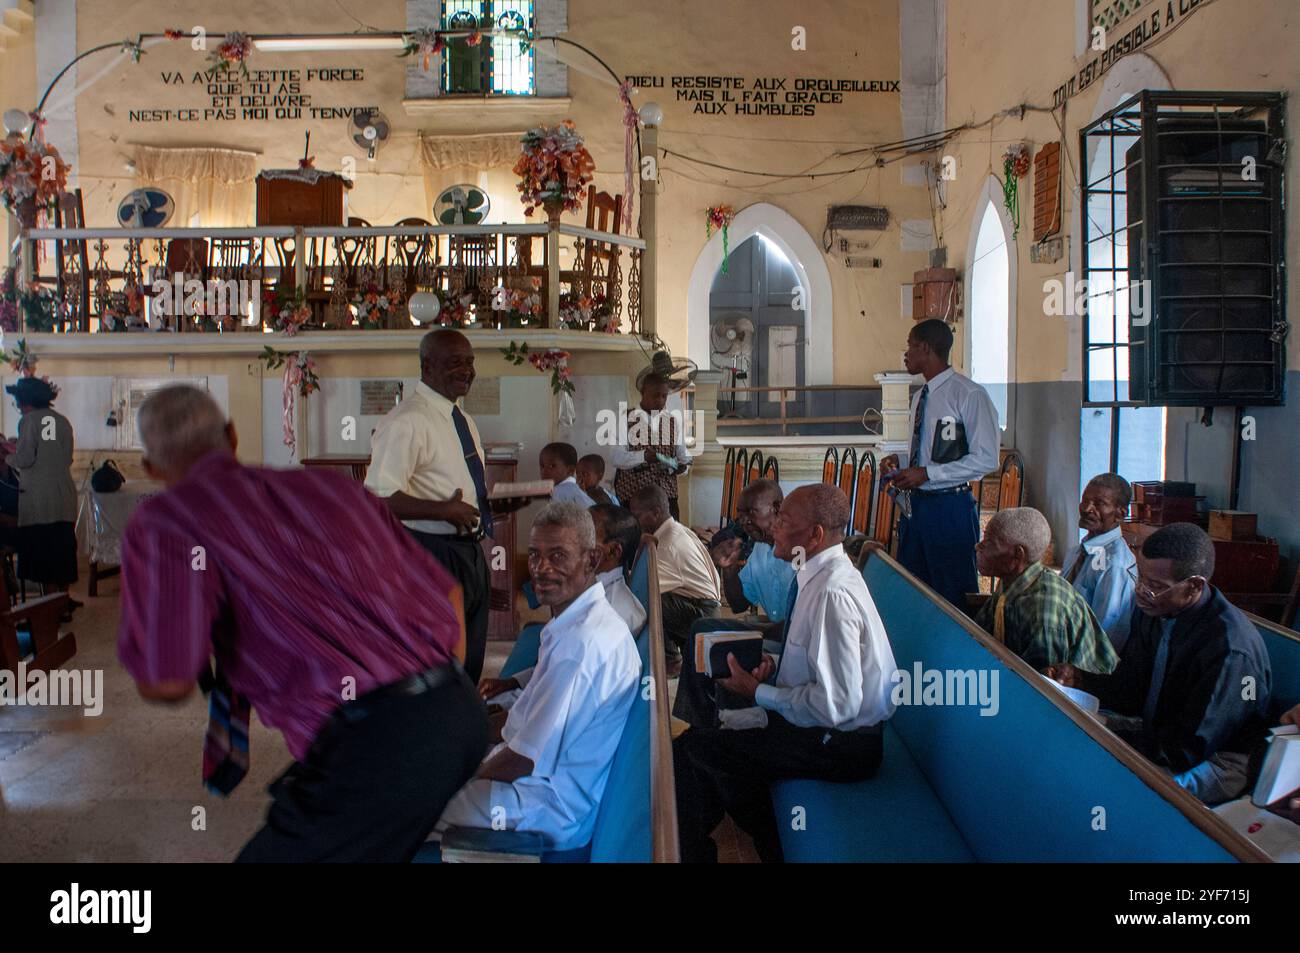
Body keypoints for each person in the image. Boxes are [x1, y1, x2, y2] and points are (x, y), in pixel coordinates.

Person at [117, 386, 486, 862]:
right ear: (231, 437)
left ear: (152, 469)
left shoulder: (168, 521)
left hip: (379, 743)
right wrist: (430, 699)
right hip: (456, 715)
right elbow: (449, 593)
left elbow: (166, 680)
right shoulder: (330, 488)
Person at [673, 484, 898, 863]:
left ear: (814, 535)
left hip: (843, 744)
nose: (774, 526)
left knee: (694, 754)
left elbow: (837, 705)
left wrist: (758, 692)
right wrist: (776, 666)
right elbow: (814, 658)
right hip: (826, 729)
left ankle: (730, 847)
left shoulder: (831, 594)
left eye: (784, 519)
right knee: (703, 738)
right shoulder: (819, 575)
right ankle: (765, 840)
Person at [435, 503, 641, 852]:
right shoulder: (577, 622)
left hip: (545, 807)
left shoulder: (580, 643)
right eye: (534, 555)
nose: (541, 569)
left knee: (409, 804)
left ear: (592, 560)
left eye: (558, 555)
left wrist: (461, 774)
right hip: (540, 788)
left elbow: (523, 759)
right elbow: (521, 724)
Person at [1047, 523, 1272, 805]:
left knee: (1113, 791)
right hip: (1159, 733)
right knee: (1064, 743)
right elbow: (1133, 686)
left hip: (1216, 761)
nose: (1140, 590)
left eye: (1154, 586)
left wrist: (1107, 727)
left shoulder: (1229, 650)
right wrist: (1081, 681)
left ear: (1194, 586)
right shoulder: (1155, 609)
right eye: (1140, 577)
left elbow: (1188, 749)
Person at [366, 329, 528, 682]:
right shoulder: (406, 420)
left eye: (470, 362)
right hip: (431, 555)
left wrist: (493, 507)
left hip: (468, 551)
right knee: (437, 662)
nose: (467, 370)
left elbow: (460, 488)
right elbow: (376, 499)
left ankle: (463, 730)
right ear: (427, 366)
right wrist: (442, 511)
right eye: (456, 362)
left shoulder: (462, 420)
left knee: (470, 657)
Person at [880, 319, 999, 608]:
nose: (906, 354)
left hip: (950, 508)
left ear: (925, 347)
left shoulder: (968, 394)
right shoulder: (921, 396)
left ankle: (954, 652)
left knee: (952, 591)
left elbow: (987, 458)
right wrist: (903, 461)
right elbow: (931, 452)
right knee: (913, 588)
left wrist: (928, 474)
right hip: (917, 508)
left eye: (910, 346)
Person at [480, 503, 646, 704]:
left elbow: (564, 691)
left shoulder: (614, 614)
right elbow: (553, 664)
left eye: (587, 533)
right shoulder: (580, 593)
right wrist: (514, 682)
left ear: (611, 552)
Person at [974, 507, 1118, 674]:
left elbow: (1042, 686)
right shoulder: (1013, 583)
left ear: (1018, 555)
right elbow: (980, 632)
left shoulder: (1044, 611)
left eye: (989, 542)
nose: (979, 546)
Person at [628, 484, 721, 674]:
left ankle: (672, 661)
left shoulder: (669, 544)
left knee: (648, 601)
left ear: (655, 512)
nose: (635, 522)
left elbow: (639, 590)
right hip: (698, 606)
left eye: (637, 516)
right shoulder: (674, 529)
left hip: (704, 615)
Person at [5, 377, 79, 609]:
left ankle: (50, 609)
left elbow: (26, 459)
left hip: (39, 498)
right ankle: (64, 600)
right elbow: (63, 457)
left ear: (25, 401)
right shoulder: (61, 421)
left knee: (45, 556)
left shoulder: (29, 421)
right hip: (63, 495)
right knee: (62, 551)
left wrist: (8, 454)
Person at [1061, 473, 1138, 653]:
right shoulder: (1079, 552)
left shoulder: (1115, 565)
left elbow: (1107, 634)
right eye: (1085, 500)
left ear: (1120, 514)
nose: (1087, 508)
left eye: (1099, 504)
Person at [711, 479, 795, 622]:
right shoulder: (759, 549)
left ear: (777, 508)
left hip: (795, 640)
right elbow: (739, 605)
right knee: (704, 627)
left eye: (751, 512)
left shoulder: (800, 550)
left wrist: (765, 630)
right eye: (741, 515)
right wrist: (730, 568)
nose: (744, 521)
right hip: (774, 635)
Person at [612, 369, 691, 521]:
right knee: (637, 541)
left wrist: (682, 467)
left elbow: (683, 456)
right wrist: (643, 456)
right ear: (643, 392)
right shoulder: (626, 420)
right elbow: (616, 457)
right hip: (634, 498)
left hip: (667, 499)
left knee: (668, 540)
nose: (660, 401)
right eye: (655, 395)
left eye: (664, 396)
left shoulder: (672, 422)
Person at [540, 442, 595, 508]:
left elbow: (553, 517)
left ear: (570, 470)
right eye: (542, 466)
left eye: (552, 466)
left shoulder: (558, 491)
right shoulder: (577, 490)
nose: (545, 471)